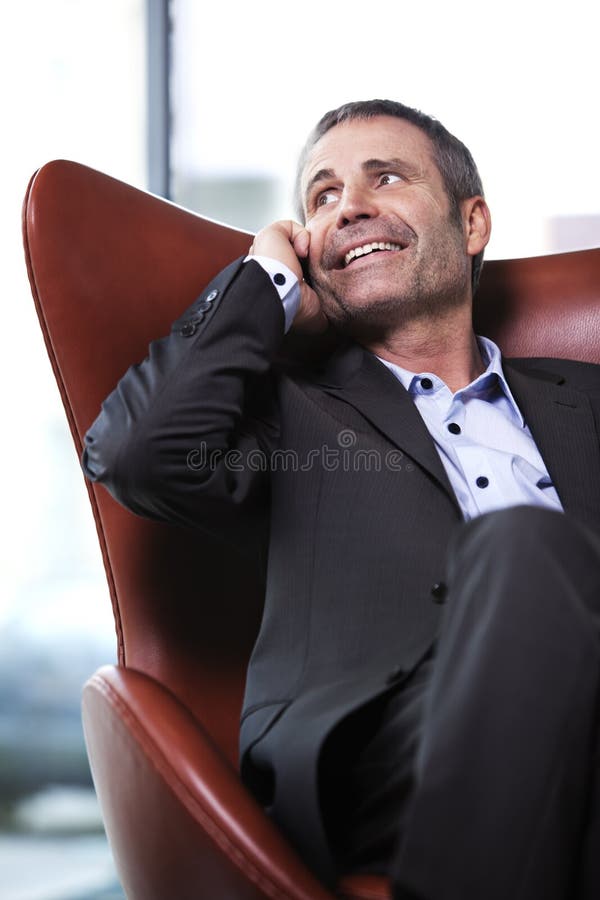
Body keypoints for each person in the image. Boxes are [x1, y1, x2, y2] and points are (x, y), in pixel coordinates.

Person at [82, 99, 600, 900]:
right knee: (526, 545)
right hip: (384, 749)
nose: (348, 205)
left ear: (472, 224)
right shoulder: (293, 413)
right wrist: (270, 279)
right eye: (320, 198)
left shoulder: (588, 400)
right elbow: (136, 453)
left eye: (383, 177)